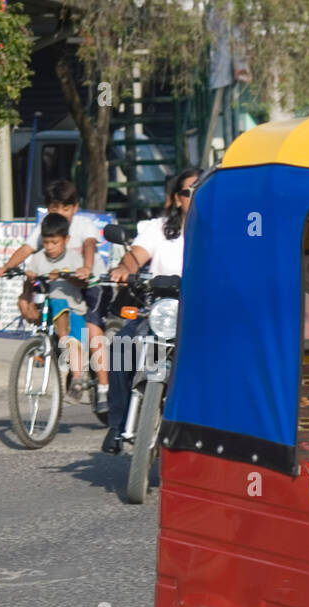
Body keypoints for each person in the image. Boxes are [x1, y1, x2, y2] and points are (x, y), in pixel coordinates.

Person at [102, 167, 199, 453]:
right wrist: (123, 269)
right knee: (121, 346)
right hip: (159, 313)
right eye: (187, 192)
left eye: (200, 191)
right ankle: (117, 426)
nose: (193, 197)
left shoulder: (222, 231)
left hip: (200, 315)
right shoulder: (159, 229)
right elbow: (135, 257)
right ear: (175, 199)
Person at [0, 179, 104, 405]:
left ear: (75, 207)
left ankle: (104, 388)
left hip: (90, 281)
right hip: (60, 288)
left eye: (66, 208)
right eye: (55, 208)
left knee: (93, 332)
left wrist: (86, 267)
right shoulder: (45, 227)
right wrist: (8, 267)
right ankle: (49, 347)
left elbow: (89, 246)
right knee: (41, 304)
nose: (61, 213)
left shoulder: (83, 225)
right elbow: (27, 251)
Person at [23, 213, 89, 384]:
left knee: (75, 342)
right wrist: (30, 277)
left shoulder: (74, 258)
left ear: (66, 240)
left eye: (54, 242)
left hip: (74, 308)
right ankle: (52, 348)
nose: (50, 247)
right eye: (45, 243)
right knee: (56, 302)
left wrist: (64, 275)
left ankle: (76, 379)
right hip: (48, 310)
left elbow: (83, 283)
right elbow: (30, 282)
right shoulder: (38, 259)